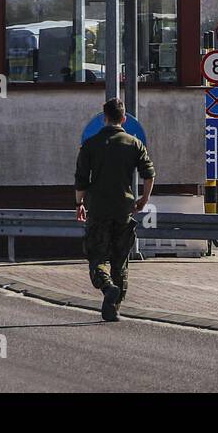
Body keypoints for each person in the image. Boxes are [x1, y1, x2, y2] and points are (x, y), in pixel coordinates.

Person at [75, 98, 155, 321]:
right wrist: (143, 200)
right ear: (124, 118)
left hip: (98, 209)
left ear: (104, 118)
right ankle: (113, 308)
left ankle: (107, 286)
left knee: (96, 258)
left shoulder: (90, 145)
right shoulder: (134, 143)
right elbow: (149, 174)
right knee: (120, 261)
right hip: (123, 208)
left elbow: (81, 179)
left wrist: (79, 204)